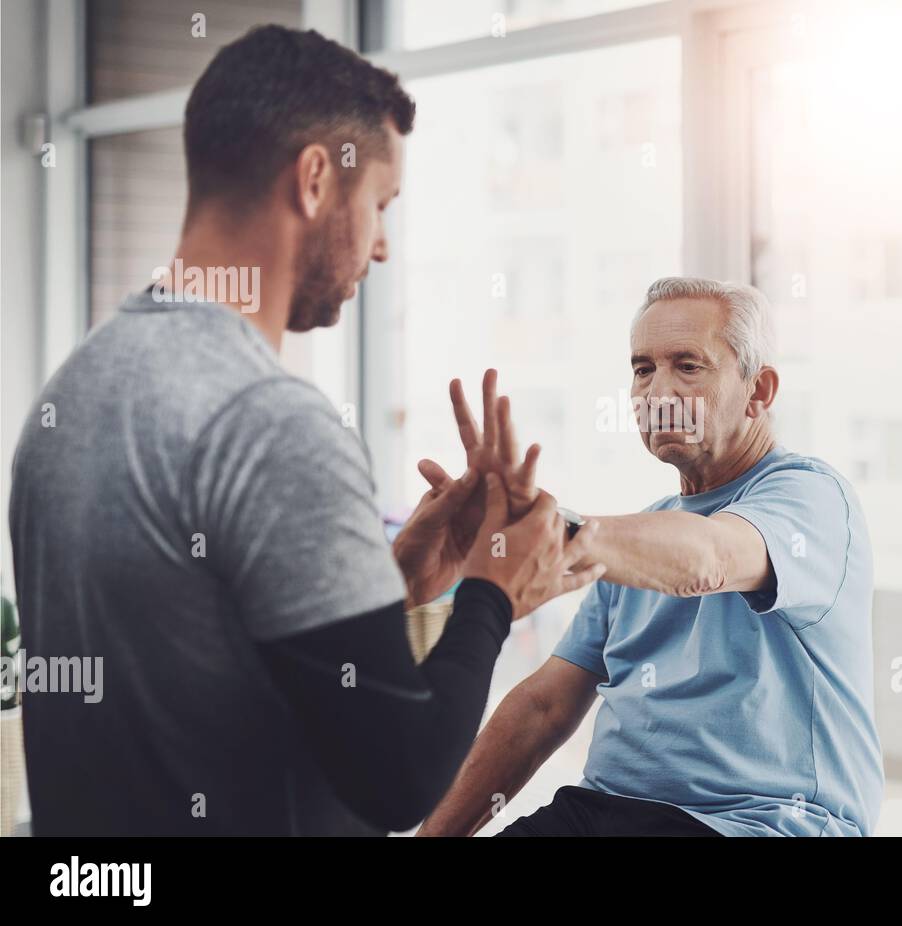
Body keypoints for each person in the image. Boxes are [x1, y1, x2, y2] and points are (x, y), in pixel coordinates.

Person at [8, 25, 601, 836]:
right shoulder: (270, 423)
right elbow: (400, 779)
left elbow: (196, 662)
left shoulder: (72, 392)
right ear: (318, 178)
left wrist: (386, 584)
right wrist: (495, 591)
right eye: (381, 206)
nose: (384, 247)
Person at [419, 277, 884, 837]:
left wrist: (540, 533)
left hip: (757, 822)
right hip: (603, 812)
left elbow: (709, 556)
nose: (656, 393)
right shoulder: (638, 537)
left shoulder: (810, 497)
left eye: (687, 366)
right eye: (643, 369)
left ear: (758, 391)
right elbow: (544, 706)